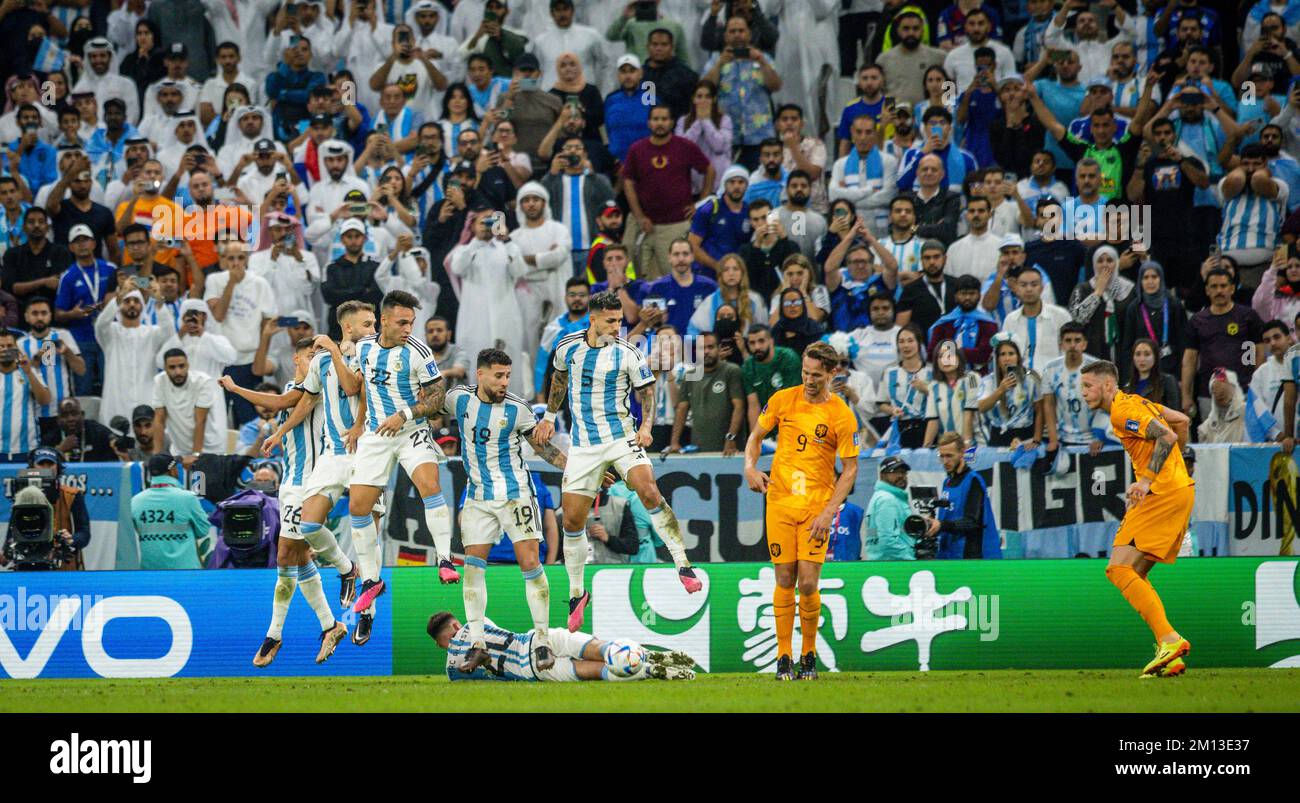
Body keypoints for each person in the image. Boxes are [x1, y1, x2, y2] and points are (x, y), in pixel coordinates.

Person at [533, 291, 703, 633]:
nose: (617, 326)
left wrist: (645, 427)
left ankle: (683, 565)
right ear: (592, 319)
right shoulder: (568, 347)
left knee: (648, 490)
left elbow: (648, 392)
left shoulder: (628, 353)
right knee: (572, 522)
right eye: (610, 321)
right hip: (584, 446)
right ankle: (578, 593)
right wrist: (550, 415)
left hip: (621, 438)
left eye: (620, 321)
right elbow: (559, 379)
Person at [443, 349, 571, 672]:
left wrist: (575, 470)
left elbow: (544, 449)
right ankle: (477, 643)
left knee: (530, 562)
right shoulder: (458, 400)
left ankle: (541, 640)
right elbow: (430, 404)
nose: (504, 382)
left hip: (515, 494)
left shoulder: (518, 409)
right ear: (480, 374)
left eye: (507, 376)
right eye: (498, 376)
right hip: (477, 497)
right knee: (472, 569)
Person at [743, 341, 860, 680]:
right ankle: (784, 658)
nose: (809, 380)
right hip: (779, 502)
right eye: (805, 373)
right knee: (783, 577)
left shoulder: (840, 414)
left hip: (815, 508)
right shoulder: (782, 400)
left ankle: (808, 656)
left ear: (832, 373)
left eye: (817, 375)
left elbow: (850, 469)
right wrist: (749, 467)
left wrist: (828, 512)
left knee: (807, 583)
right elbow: (755, 436)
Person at [344, 291, 455, 644]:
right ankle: (372, 580)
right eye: (403, 322)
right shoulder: (363, 348)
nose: (409, 328)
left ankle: (444, 559)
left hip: (410, 431)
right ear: (385, 320)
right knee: (358, 508)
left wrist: (405, 414)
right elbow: (363, 389)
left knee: (430, 485)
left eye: (412, 322)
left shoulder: (418, 352)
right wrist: (360, 424)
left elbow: (438, 396)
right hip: (377, 435)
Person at [1078, 359, 1194, 677]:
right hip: (1178, 489)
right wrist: (1175, 471)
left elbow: (1167, 436)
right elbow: (1182, 422)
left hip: (1158, 494)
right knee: (1135, 574)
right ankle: (1169, 651)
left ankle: (1170, 639)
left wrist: (1146, 480)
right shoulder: (1138, 402)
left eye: (1088, 385)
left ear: (1107, 385)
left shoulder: (1122, 410)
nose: (1084, 392)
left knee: (1118, 568)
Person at [264, 302, 376, 620]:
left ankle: (367, 612)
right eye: (367, 325)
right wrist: (280, 432)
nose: (374, 331)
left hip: (369, 453)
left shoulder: (372, 356)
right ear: (348, 328)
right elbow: (306, 400)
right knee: (309, 525)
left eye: (374, 324)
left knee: (369, 536)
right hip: (333, 455)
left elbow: (354, 386)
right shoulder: (322, 360)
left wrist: (357, 425)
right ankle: (346, 569)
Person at [428, 610, 697, 681]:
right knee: (598, 647)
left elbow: (467, 674)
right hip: (536, 639)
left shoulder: (453, 666)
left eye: (444, 644)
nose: (447, 647)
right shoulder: (478, 620)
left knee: (593, 671)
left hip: (531, 669)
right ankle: (649, 655)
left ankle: (647, 671)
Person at [622, 104, 714, 280]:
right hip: (644, 224)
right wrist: (640, 216)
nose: (660, 123)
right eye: (655, 119)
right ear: (649, 123)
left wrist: (701, 204)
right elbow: (627, 181)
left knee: (675, 275)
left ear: (672, 122)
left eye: (664, 119)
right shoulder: (637, 149)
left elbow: (709, 170)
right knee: (636, 275)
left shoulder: (684, 146)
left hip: (675, 224)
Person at [1181, 268, 1266, 421]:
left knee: (1244, 441)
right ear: (1207, 290)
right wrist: (1186, 396)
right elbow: (1189, 360)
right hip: (1208, 394)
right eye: (1214, 286)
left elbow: (1259, 354)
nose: (1219, 290)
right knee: (1211, 442)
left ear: (1232, 288)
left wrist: (1258, 388)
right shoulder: (1197, 321)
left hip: (1243, 391)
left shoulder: (1248, 316)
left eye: (1223, 286)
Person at [0, 447, 89, 571]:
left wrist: (70, 540)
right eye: (41, 463)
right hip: (26, 563)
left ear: (58, 466)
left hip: (63, 565)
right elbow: (13, 530)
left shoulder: (72, 495)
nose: (46, 467)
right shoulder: (23, 496)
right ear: (32, 467)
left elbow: (84, 533)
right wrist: (6, 551)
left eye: (51, 463)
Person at [923, 432, 1002, 559]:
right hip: (949, 552)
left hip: (970, 554)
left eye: (949, 456)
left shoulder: (973, 481)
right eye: (941, 456)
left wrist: (942, 525)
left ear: (962, 452)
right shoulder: (947, 482)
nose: (945, 461)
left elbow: (971, 522)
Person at [129, 453, 212, 570]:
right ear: (172, 470)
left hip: (150, 570)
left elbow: (138, 531)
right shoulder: (187, 498)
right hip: (185, 570)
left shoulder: (136, 501)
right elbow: (203, 530)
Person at [668, 331, 745, 454]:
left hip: (729, 448)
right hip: (698, 447)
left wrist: (731, 438)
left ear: (719, 348)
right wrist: (674, 442)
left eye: (710, 347)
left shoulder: (732, 371)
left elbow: (739, 406)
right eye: (701, 348)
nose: (706, 352)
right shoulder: (689, 375)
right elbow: (681, 409)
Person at [17, 296, 85, 436]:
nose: (40, 317)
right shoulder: (21, 344)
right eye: (35, 313)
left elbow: (81, 370)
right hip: (34, 414)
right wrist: (38, 357)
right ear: (26, 317)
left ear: (50, 315)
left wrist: (67, 352)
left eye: (43, 313)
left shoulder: (63, 335)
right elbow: (22, 378)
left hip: (64, 413)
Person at [1042, 321, 1106, 458]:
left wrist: (1100, 437)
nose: (1072, 345)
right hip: (1063, 439)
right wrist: (1053, 439)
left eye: (1077, 340)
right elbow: (1048, 404)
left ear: (1084, 344)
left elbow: (1107, 405)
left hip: (1091, 441)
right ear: (1061, 345)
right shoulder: (1050, 369)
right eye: (1068, 340)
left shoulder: (1098, 369)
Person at [1002, 266, 1073, 372]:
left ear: (1042, 287)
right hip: (1019, 381)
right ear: (1017, 288)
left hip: (1054, 380)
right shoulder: (1010, 320)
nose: (1029, 289)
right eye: (1023, 285)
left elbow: (1070, 350)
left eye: (1034, 284)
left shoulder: (1061, 316)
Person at [977, 336, 1044, 448]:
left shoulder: (1031, 379)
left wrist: (1036, 440)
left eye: (1011, 354)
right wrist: (1000, 390)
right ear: (997, 360)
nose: (1007, 358)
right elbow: (980, 407)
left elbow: (1039, 411)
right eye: (1002, 354)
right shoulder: (988, 382)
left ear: (1018, 358)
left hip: (1026, 435)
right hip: (998, 437)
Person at [927, 274, 998, 373]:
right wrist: (965, 353)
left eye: (972, 293)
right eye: (963, 293)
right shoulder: (943, 324)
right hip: (947, 377)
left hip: (980, 379)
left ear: (979, 296)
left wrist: (951, 352)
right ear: (955, 296)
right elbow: (932, 354)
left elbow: (984, 355)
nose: (968, 297)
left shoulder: (988, 324)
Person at [0, 330, 53, 462]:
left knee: (27, 483)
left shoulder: (30, 372)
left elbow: (45, 400)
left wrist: (29, 373)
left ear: (16, 349)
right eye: (1, 346)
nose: (5, 350)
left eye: (9, 346)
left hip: (27, 449)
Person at [875, 325, 931, 448]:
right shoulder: (889, 373)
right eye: (901, 342)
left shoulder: (931, 372)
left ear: (919, 343)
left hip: (927, 429)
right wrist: (892, 410)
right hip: (899, 430)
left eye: (910, 341)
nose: (906, 346)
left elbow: (941, 400)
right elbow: (881, 403)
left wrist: (926, 390)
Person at [742, 323, 801, 430]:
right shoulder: (748, 367)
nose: (757, 347)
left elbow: (793, 401)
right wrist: (755, 439)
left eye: (761, 341)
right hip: (766, 428)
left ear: (771, 341)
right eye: (752, 343)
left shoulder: (788, 358)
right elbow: (753, 405)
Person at [923, 339, 980, 446]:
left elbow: (969, 414)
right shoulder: (933, 387)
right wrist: (925, 448)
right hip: (948, 448)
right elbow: (933, 421)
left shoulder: (972, 378)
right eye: (941, 356)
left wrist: (966, 445)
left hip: (975, 443)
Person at [865, 455, 915, 561]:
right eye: (895, 472)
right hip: (894, 564)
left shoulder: (881, 496)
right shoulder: (887, 500)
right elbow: (888, 541)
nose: (901, 476)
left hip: (881, 562)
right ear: (882, 475)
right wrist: (910, 558)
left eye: (903, 472)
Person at [42, 398, 117, 463]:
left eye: (74, 414)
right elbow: (41, 471)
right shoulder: (50, 438)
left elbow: (114, 464)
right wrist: (59, 450)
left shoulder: (100, 433)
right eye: (65, 415)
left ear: (83, 415)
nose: (70, 419)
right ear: (58, 420)